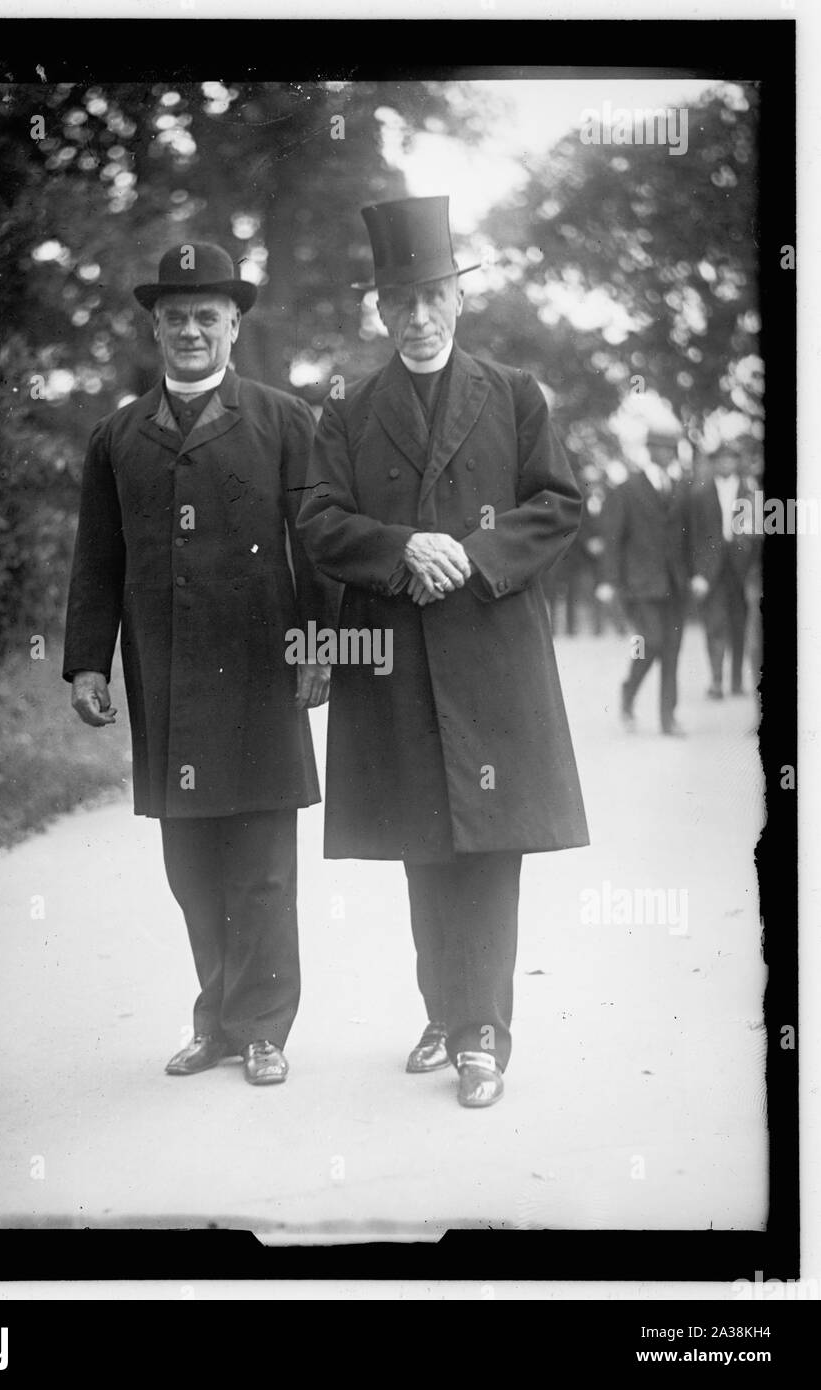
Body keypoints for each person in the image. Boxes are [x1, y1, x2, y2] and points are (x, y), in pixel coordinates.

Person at [297, 196, 588, 1110]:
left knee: (492, 848)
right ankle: (444, 1011)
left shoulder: (514, 394)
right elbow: (318, 519)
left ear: (458, 301)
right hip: (397, 658)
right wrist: (400, 548)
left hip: (492, 654)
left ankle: (484, 1036)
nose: (417, 317)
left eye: (431, 298)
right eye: (399, 301)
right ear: (380, 310)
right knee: (425, 844)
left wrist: (474, 553)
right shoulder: (346, 407)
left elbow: (558, 505)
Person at [63, 243, 336, 1087]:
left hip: (260, 670)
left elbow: (317, 546)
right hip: (167, 677)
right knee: (190, 868)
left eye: (207, 317)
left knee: (259, 864)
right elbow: (96, 558)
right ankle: (214, 1021)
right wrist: (87, 664)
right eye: (175, 317)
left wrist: (320, 644)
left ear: (234, 326)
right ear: (156, 327)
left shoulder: (286, 420)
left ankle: (262, 1030)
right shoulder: (118, 435)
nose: (191, 330)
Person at [596, 427, 696, 735]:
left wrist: (694, 576)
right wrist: (608, 581)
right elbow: (613, 538)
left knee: (673, 649)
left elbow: (688, 538)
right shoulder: (627, 489)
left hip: (675, 583)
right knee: (651, 642)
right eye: (661, 448)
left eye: (671, 449)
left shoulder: (681, 488)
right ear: (650, 450)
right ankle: (628, 691)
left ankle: (668, 719)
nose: (667, 454)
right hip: (640, 583)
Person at [688, 441, 757, 698]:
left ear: (737, 461)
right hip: (711, 569)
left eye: (731, 458)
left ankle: (737, 681)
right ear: (714, 462)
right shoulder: (700, 492)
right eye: (721, 459)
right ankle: (717, 680)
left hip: (741, 567)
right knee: (714, 623)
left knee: (739, 624)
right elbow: (695, 536)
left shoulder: (750, 491)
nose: (726, 463)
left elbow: (759, 531)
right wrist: (697, 573)